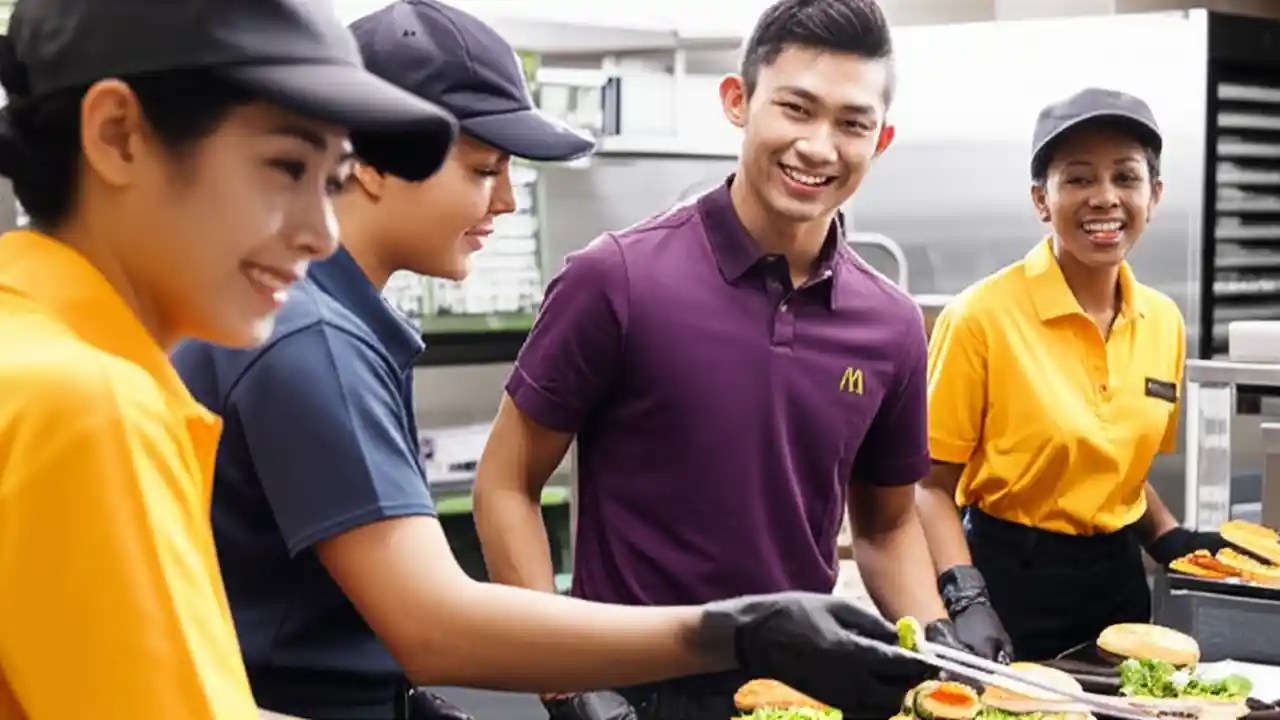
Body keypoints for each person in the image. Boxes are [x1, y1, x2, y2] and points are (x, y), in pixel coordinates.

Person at [170, 2, 934, 720]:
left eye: (851, 121)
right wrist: (722, 636)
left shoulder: (319, 319)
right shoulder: (314, 339)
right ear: (370, 157)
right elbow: (431, 622)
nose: (505, 201)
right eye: (482, 169)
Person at [472, 1, 984, 717]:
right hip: (633, 691)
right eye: (796, 109)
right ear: (737, 101)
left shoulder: (892, 324)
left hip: (798, 696)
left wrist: (933, 639)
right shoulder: (616, 280)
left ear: (883, 138)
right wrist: (565, 681)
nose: (818, 146)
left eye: (851, 123)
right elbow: (505, 484)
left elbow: (887, 524)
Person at [0, 0, 456, 717]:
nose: (321, 235)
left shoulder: (26, 351)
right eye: (284, 167)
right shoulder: (84, 402)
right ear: (118, 135)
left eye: (332, 182)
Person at [917, 87, 1228, 663]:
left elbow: (1111, 468)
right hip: (1010, 579)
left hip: (1119, 579)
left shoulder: (1162, 321)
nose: (1105, 198)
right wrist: (964, 596)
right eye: (1079, 179)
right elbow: (929, 487)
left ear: (1153, 195)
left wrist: (1169, 537)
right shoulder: (980, 317)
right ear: (1042, 199)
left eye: (1126, 178)